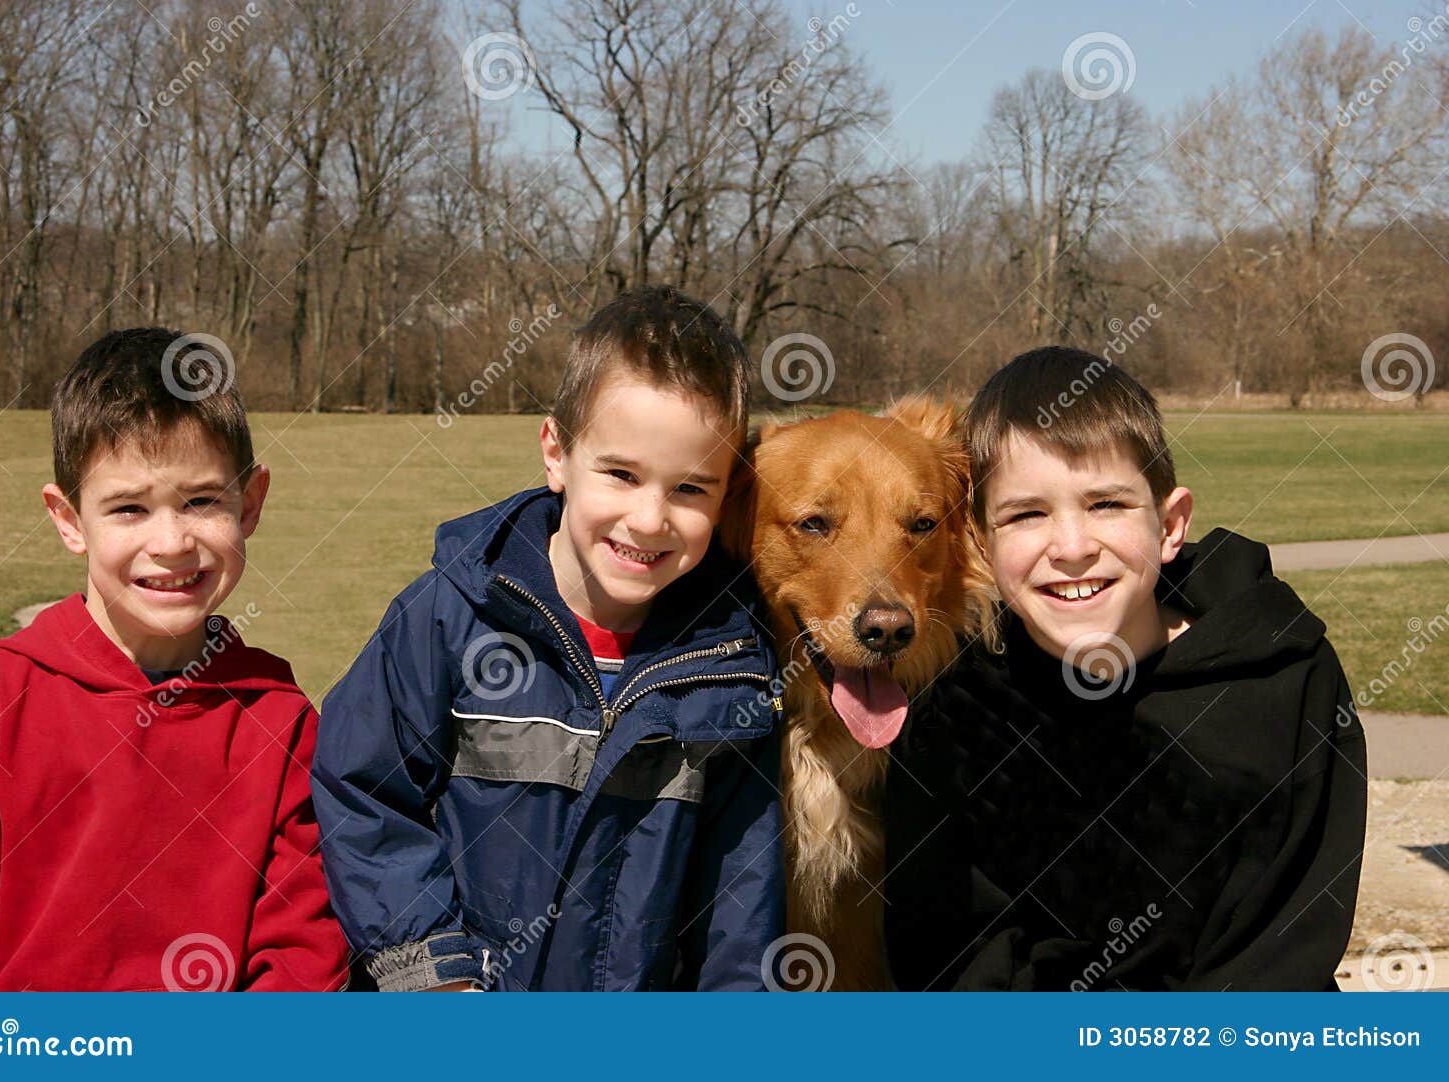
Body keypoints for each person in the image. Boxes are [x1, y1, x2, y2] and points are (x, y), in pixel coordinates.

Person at [313, 286, 784, 991]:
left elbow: (739, 903)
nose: (650, 518)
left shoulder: (733, 668)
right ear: (557, 453)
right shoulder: (452, 615)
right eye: (621, 474)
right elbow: (362, 790)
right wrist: (431, 974)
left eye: (690, 489)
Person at [0, 328, 347, 991]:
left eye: (202, 500)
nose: (171, 541)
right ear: (68, 519)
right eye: (128, 508)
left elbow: (302, 959)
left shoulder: (282, 722)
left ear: (251, 502)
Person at [885, 346, 1366, 991]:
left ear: (1171, 524)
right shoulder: (956, 706)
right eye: (1026, 514)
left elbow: (1287, 940)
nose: (1073, 548)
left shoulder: (1284, 676)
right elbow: (950, 952)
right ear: (979, 541)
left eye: (1106, 504)